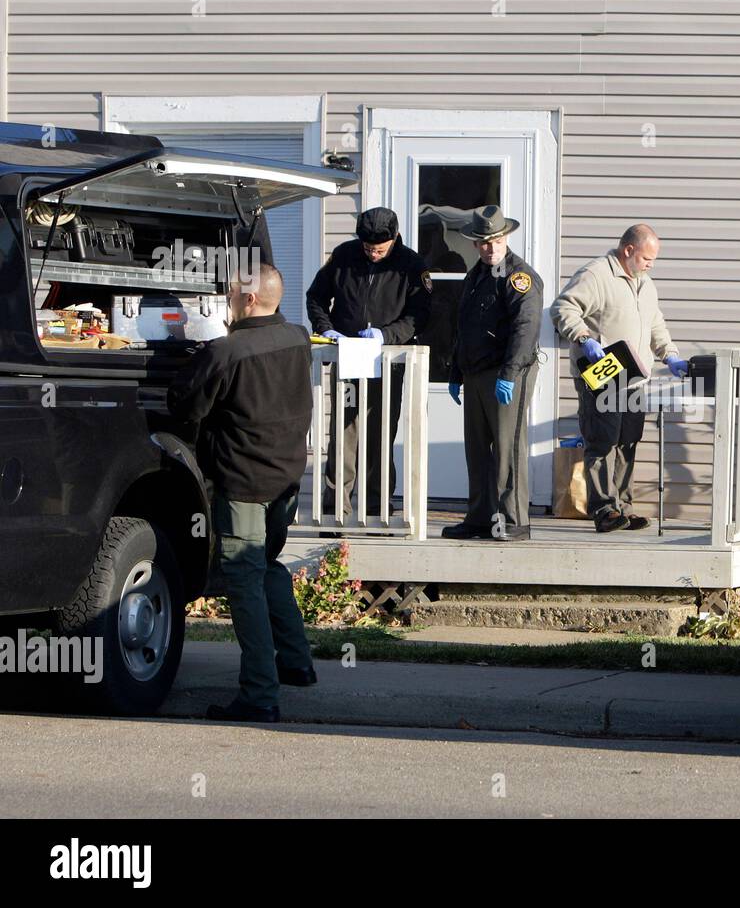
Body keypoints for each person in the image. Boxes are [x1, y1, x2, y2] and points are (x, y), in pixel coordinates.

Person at [167, 264, 316, 723]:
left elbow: (185, 405)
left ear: (248, 300)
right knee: (268, 565)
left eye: (231, 293)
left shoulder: (227, 351)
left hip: (244, 482)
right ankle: (296, 663)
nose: (228, 299)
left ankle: (259, 695)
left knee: (244, 579)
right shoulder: (299, 339)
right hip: (287, 476)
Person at [551, 224, 687, 533]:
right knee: (602, 441)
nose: (651, 265)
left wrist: (670, 355)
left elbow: (656, 325)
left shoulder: (645, 283)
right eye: (647, 258)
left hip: (634, 378)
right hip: (602, 373)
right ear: (628, 251)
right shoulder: (597, 274)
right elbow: (563, 308)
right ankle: (604, 510)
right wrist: (583, 337)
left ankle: (623, 507)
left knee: (628, 441)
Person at [306, 206, 430, 518]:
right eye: (368, 249)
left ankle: (376, 505)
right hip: (346, 356)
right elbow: (316, 298)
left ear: (394, 239)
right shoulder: (344, 255)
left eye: (380, 249)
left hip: (386, 361)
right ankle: (337, 506)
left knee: (380, 432)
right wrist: (326, 329)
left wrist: (386, 335)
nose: (373, 254)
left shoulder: (411, 264)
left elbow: (420, 315)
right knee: (342, 432)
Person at [443, 205, 543, 542]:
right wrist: (456, 371)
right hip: (475, 372)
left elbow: (525, 328)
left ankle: (512, 520)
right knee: (477, 449)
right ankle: (480, 517)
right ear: (475, 244)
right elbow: (465, 326)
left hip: (505, 372)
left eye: (496, 240)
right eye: (484, 242)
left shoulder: (519, 276)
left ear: (505, 238)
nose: (490, 247)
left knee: (506, 448)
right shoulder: (476, 275)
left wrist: (510, 373)